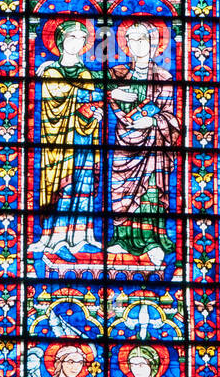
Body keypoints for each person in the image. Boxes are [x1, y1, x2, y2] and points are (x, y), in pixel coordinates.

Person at [29, 21, 103, 267]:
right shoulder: (49, 73)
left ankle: (81, 236)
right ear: (59, 41)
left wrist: (94, 114)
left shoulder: (86, 75)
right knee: (60, 188)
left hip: (82, 141)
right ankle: (55, 239)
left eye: (82, 39)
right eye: (72, 37)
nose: (77, 42)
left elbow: (90, 105)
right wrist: (81, 105)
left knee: (82, 187)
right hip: (57, 144)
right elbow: (52, 108)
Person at [107, 22, 181, 269]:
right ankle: (122, 238)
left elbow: (173, 118)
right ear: (126, 45)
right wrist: (111, 96)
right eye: (132, 41)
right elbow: (98, 95)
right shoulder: (116, 74)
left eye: (143, 40)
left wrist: (154, 120)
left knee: (150, 190)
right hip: (123, 142)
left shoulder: (164, 77)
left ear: (154, 44)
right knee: (121, 190)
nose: (138, 46)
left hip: (153, 145)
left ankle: (152, 242)